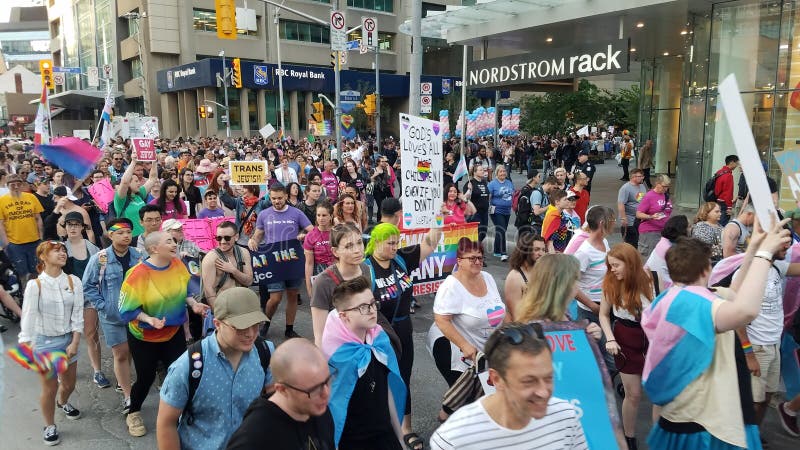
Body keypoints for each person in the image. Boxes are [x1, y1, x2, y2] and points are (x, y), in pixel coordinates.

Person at [642, 221, 791, 450]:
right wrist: (764, 254)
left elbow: (732, 294)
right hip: (700, 421)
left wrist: (753, 249)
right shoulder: (693, 304)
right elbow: (745, 311)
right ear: (707, 270)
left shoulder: (674, 298)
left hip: (684, 415)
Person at [430, 323, 588, 450]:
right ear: (496, 379)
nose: (544, 392)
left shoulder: (566, 417)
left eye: (548, 378)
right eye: (528, 381)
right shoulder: (454, 439)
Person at [157, 287, 273, 450]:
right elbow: (166, 423)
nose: (250, 333)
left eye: (256, 325)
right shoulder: (188, 366)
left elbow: (275, 404)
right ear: (217, 324)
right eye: (240, 327)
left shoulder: (266, 352)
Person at [118, 231, 210, 437]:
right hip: (144, 336)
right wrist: (149, 319)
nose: (174, 244)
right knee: (146, 377)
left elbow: (184, 292)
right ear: (154, 249)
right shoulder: (137, 274)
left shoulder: (177, 264)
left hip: (173, 332)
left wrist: (194, 305)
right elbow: (125, 309)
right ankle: (133, 412)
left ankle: (178, 412)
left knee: (178, 373)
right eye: (169, 241)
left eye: (174, 240)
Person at [365, 223, 442, 450]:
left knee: (404, 377)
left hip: (404, 328)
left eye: (396, 243)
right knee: (379, 381)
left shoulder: (400, 258)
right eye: (390, 243)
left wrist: (440, 218)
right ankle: (380, 427)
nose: (394, 247)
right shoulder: (365, 268)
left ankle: (406, 427)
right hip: (379, 333)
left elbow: (430, 243)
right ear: (376, 242)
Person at [322, 277, 406, 450]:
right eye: (363, 307)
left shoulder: (379, 339)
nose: (372, 311)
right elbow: (332, 404)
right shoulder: (336, 355)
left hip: (384, 434)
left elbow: (386, 390)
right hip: (352, 440)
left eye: (373, 303)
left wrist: (400, 437)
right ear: (344, 316)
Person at [427, 238, 506, 420]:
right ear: (459, 261)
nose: (477, 262)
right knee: (470, 400)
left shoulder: (488, 278)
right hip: (453, 348)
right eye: (472, 258)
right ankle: (452, 427)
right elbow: (442, 320)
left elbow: (500, 311)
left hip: (484, 348)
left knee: (472, 392)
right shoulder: (450, 286)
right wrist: (465, 346)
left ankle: (446, 414)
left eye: (480, 257)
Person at [733, 232, 800, 437]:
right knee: (754, 401)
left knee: (766, 397)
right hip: (756, 346)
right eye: (783, 244)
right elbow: (737, 314)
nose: (787, 248)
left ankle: (755, 437)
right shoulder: (747, 273)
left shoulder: (777, 267)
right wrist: (749, 353)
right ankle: (743, 441)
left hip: (773, 345)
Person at [19, 240, 84, 446]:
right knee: (50, 387)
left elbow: (78, 314)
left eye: (64, 250)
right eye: (56, 251)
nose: (62, 253)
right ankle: (49, 425)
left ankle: (62, 402)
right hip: (44, 342)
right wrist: (26, 344)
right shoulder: (35, 285)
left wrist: (75, 342)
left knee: (69, 384)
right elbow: (28, 317)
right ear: (43, 257)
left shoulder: (74, 281)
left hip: (69, 339)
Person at [226, 338, 335, 450]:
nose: (326, 394)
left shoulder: (319, 409)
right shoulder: (255, 437)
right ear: (282, 389)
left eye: (327, 381)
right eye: (314, 389)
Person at [82, 218, 143, 414]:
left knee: (132, 350)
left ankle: (123, 381)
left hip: (137, 314)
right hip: (112, 317)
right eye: (120, 232)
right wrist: (103, 306)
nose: (126, 236)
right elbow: (88, 286)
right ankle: (128, 396)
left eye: (128, 232)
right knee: (121, 353)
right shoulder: (100, 258)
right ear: (110, 235)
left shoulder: (139, 256)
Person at [599, 243, 654, 450]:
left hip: (650, 337)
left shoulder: (648, 277)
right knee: (634, 394)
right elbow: (603, 315)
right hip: (625, 338)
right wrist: (610, 338)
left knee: (657, 392)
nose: (612, 270)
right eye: (610, 265)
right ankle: (629, 439)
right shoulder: (610, 283)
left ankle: (660, 436)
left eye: (616, 265)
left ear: (629, 263)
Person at [248, 185, 312, 339]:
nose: (277, 201)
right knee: (275, 298)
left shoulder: (296, 213)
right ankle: (266, 322)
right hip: (274, 262)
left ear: (286, 197)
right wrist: (252, 241)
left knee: (292, 295)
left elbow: (312, 230)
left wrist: (303, 234)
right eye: (274, 198)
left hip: (293, 261)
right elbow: (258, 235)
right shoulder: (264, 214)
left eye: (280, 198)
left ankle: (289, 329)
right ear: (270, 198)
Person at [62, 212, 104, 387]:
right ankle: (64, 369)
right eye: (69, 224)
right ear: (65, 227)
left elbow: (102, 271)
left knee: (91, 333)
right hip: (66, 298)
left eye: (76, 224)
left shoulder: (93, 248)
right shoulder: (60, 248)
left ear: (82, 227)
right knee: (65, 336)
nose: (73, 228)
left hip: (88, 296)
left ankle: (97, 371)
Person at [0, 173, 44, 284]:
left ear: (22, 184)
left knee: (37, 271)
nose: (16, 187)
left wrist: (41, 237)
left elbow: (38, 218)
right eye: (12, 185)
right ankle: (23, 293)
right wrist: (6, 243)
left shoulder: (31, 197)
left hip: (34, 241)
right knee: (21, 273)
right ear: (7, 185)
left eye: (18, 184)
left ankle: (36, 291)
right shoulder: (2, 201)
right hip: (15, 243)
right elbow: (0, 224)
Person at [115, 158, 158, 244]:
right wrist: (133, 161)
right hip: (130, 240)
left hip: (145, 239)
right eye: (136, 181)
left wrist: (154, 161)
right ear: (129, 184)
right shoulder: (121, 199)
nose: (139, 183)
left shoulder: (139, 194)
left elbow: (152, 179)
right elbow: (124, 182)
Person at [504, 234, 546, 320]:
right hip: (528, 325)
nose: (541, 253)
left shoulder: (543, 271)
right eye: (537, 249)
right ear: (525, 251)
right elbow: (517, 316)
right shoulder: (515, 277)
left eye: (543, 250)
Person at [644, 215, 690, 294]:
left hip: (649, 280)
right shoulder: (672, 249)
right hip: (663, 287)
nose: (691, 229)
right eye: (689, 227)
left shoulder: (664, 241)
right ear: (682, 230)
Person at [636, 174, 673, 259]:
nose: (666, 189)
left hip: (663, 231)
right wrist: (651, 216)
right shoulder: (649, 196)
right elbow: (638, 214)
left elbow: (667, 211)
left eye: (667, 186)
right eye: (664, 186)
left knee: (660, 258)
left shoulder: (666, 195)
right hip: (650, 231)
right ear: (657, 183)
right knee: (649, 258)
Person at [304, 201, 335, 296]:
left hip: (337, 269)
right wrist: (309, 288)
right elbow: (309, 263)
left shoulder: (337, 232)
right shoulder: (310, 235)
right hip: (319, 272)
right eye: (318, 215)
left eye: (324, 215)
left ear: (331, 216)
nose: (321, 218)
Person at [487, 165, 514, 261]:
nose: (503, 173)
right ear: (497, 173)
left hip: (507, 210)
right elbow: (488, 197)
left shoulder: (509, 182)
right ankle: (503, 253)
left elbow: (512, 194)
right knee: (501, 229)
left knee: (501, 230)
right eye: (500, 171)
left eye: (504, 171)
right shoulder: (492, 184)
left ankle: (497, 251)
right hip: (496, 210)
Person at [617, 168, 648, 249]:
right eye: (640, 176)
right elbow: (621, 204)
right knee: (631, 243)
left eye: (642, 176)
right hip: (630, 220)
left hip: (639, 219)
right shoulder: (625, 188)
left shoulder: (642, 186)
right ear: (633, 177)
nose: (642, 178)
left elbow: (641, 200)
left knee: (638, 241)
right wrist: (623, 218)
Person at [464, 164, 490, 245]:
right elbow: (464, 198)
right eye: (480, 170)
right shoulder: (470, 183)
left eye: (483, 170)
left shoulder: (484, 182)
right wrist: (469, 190)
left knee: (484, 232)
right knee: (478, 232)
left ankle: (477, 247)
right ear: (475, 172)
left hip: (484, 212)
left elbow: (487, 194)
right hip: (475, 212)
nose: (483, 171)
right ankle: (476, 249)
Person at [541, 189, 573, 253]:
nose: (568, 201)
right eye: (565, 199)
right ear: (557, 202)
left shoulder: (560, 215)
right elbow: (549, 243)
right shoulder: (553, 217)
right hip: (555, 253)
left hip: (561, 251)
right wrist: (554, 257)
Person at [713, 155, 740, 226]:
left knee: (716, 223)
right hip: (724, 203)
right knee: (722, 225)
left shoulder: (719, 172)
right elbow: (728, 193)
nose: (737, 166)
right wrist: (729, 207)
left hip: (717, 200)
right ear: (732, 162)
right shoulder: (728, 175)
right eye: (736, 163)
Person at [513, 171, 540, 236]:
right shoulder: (527, 191)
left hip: (525, 221)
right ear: (534, 178)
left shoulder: (531, 189)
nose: (540, 178)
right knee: (524, 241)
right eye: (538, 176)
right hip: (524, 223)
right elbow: (523, 209)